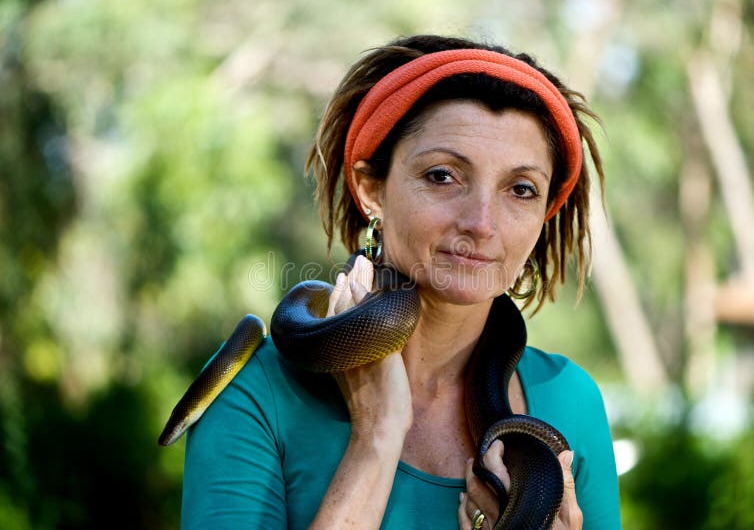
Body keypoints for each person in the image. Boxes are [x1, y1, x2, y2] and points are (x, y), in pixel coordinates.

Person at [180, 34, 621, 529]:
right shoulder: (258, 396)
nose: (481, 222)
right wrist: (376, 436)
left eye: (521, 189)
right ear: (372, 191)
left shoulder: (569, 400)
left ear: (543, 216)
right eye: (442, 176)